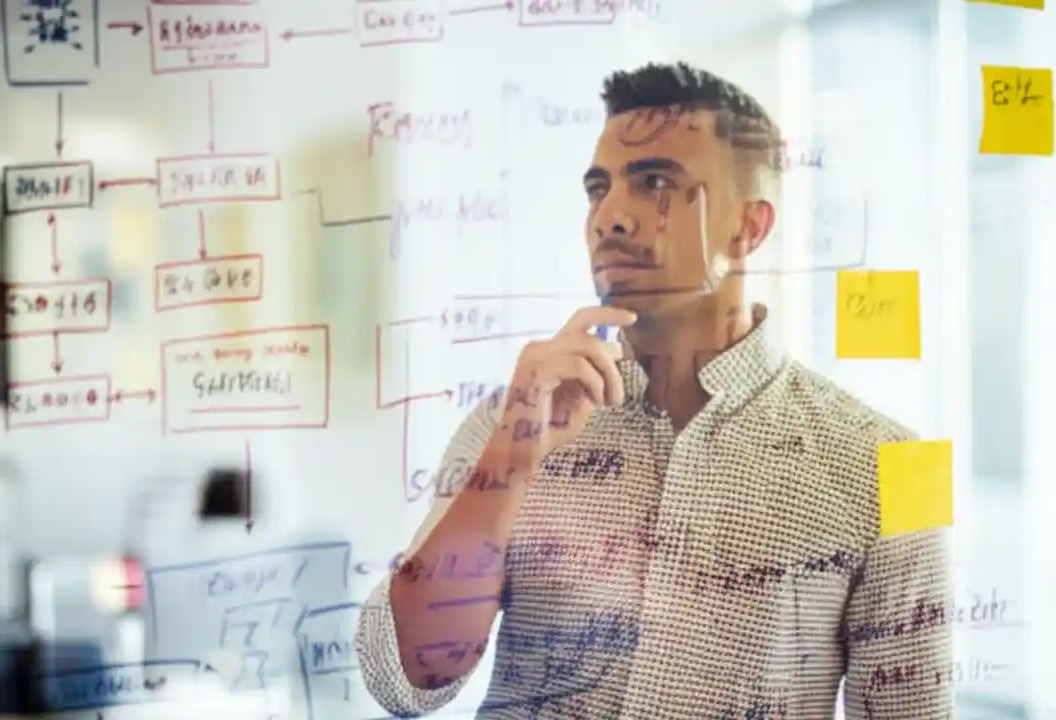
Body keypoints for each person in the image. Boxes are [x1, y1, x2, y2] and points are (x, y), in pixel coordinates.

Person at [355, 62, 952, 719]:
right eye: (597, 189)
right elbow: (405, 683)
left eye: (656, 183)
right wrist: (510, 460)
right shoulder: (511, 421)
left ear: (749, 227)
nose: (609, 217)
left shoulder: (894, 463)